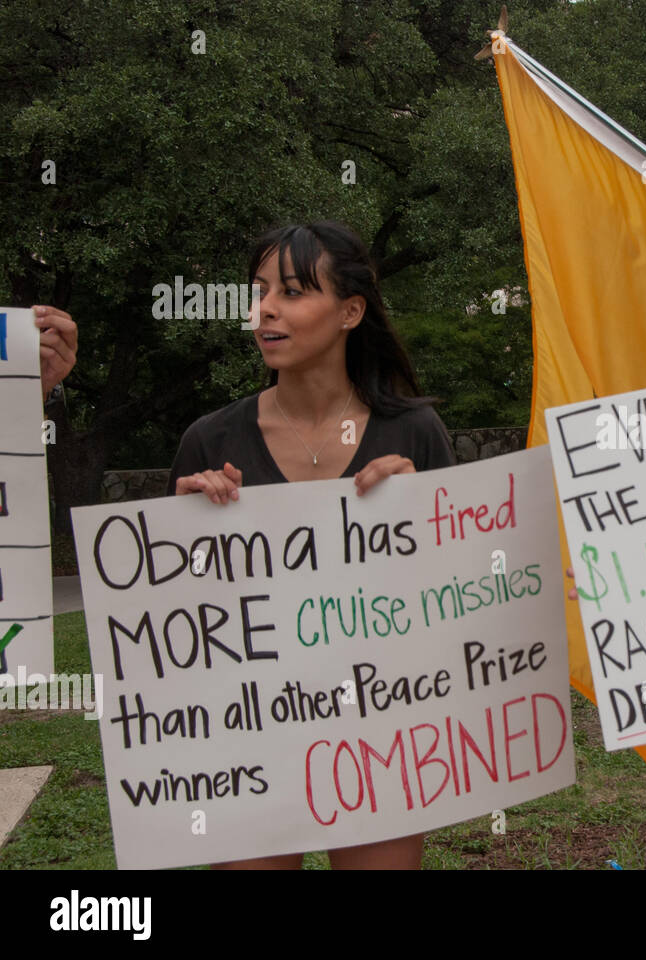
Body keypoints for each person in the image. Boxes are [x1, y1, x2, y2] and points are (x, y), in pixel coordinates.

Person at [168, 221, 456, 869]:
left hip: (378, 735)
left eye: (293, 292)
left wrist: (424, 526)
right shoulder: (209, 442)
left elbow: (464, 600)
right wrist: (187, 538)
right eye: (259, 291)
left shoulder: (415, 433)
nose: (264, 309)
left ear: (351, 311)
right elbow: (175, 629)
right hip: (248, 735)